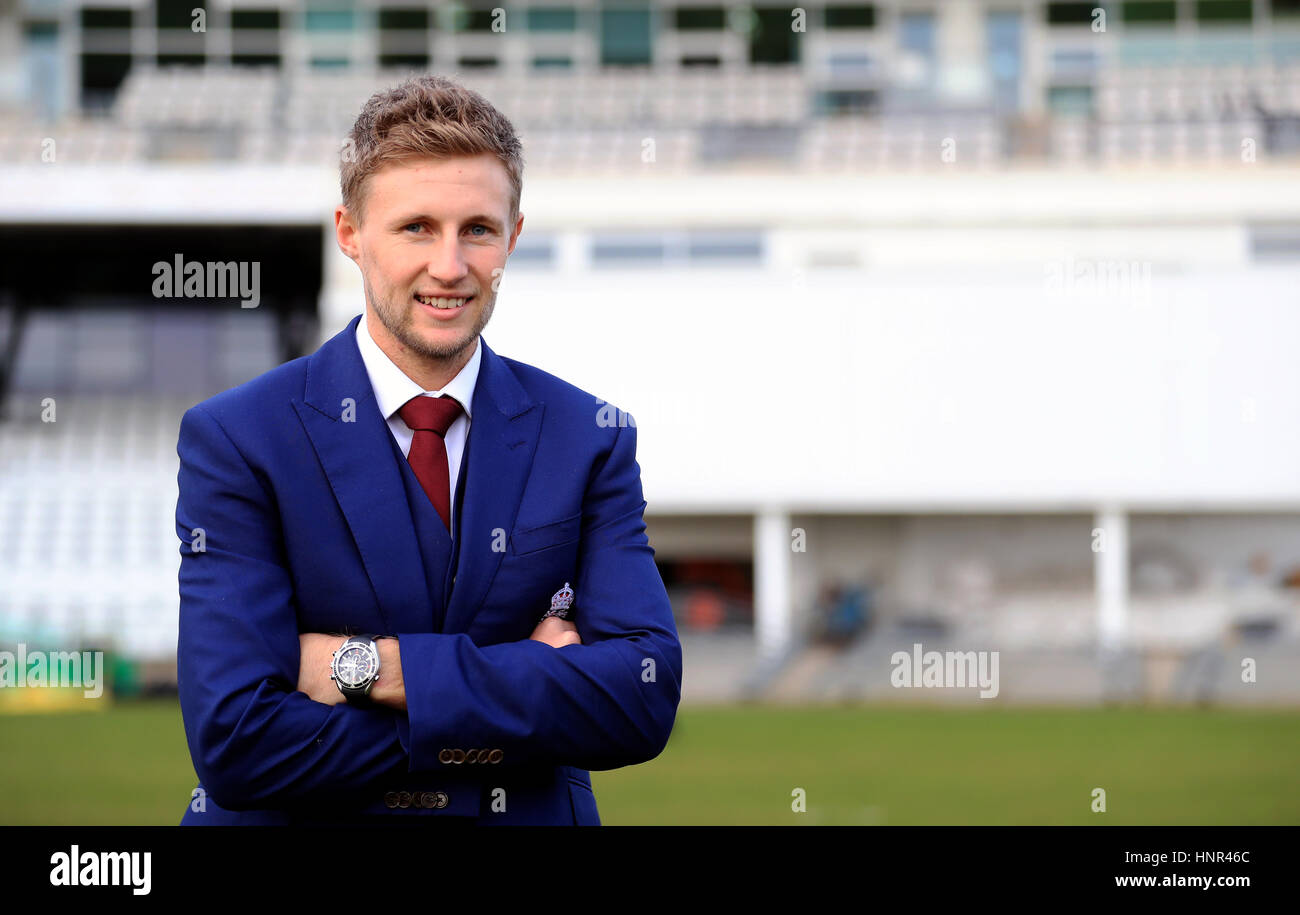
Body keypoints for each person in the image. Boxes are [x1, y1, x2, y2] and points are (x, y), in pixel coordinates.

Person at [174, 75, 682, 825]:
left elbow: (640, 694)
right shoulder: (239, 439)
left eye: (477, 228)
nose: (450, 266)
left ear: (511, 235)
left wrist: (367, 669)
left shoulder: (590, 435)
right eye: (416, 227)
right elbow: (237, 741)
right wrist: (526, 689)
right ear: (350, 233)